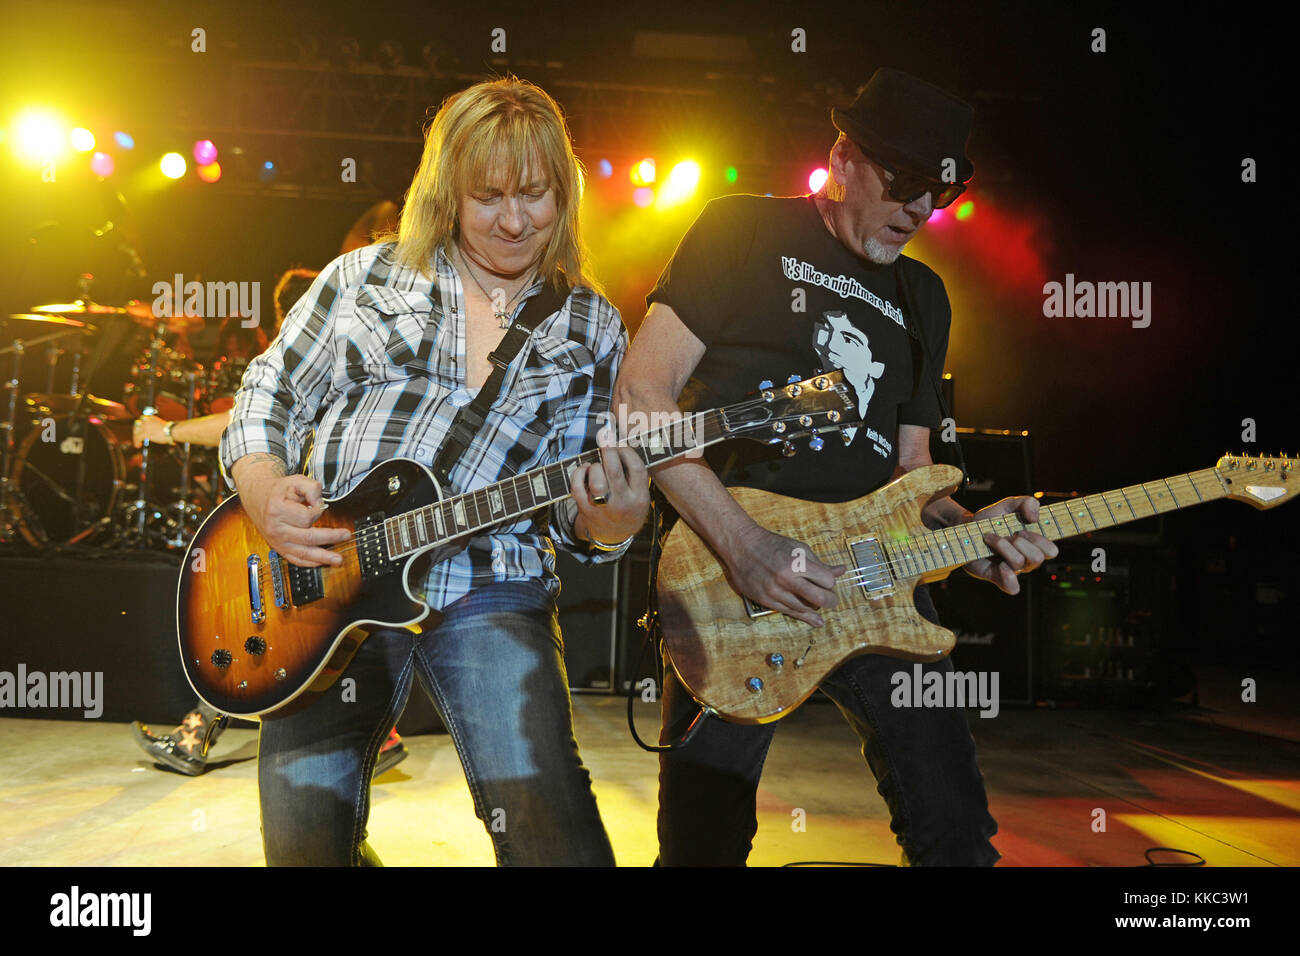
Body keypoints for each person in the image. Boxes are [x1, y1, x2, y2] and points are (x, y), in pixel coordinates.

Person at [613, 67, 1058, 866]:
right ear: (843, 156)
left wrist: (970, 532)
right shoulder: (739, 230)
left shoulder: (924, 296)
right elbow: (640, 395)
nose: (922, 209)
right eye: (908, 182)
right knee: (701, 845)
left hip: (879, 591)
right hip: (729, 574)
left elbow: (912, 477)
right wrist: (744, 547)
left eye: (942, 194)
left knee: (956, 833)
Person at [219, 77, 647, 866]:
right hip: (324, 587)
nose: (515, 220)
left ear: (567, 194)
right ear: (446, 192)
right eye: (488, 196)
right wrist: (263, 488)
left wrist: (611, 520)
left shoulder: (589, 323)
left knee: (552, 833)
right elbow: (267, 391)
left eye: (536, 195)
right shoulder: (364, 278)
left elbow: (577, 514)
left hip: (491, 585)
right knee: (305, 846)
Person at [130, 269, 410, 777]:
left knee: (258, 622)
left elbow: (237, 420)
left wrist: (166, 430)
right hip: (342, 522)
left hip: (318, 524)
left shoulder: (317, 358)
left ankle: (196, 736)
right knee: (293, 630)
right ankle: (381, 737)